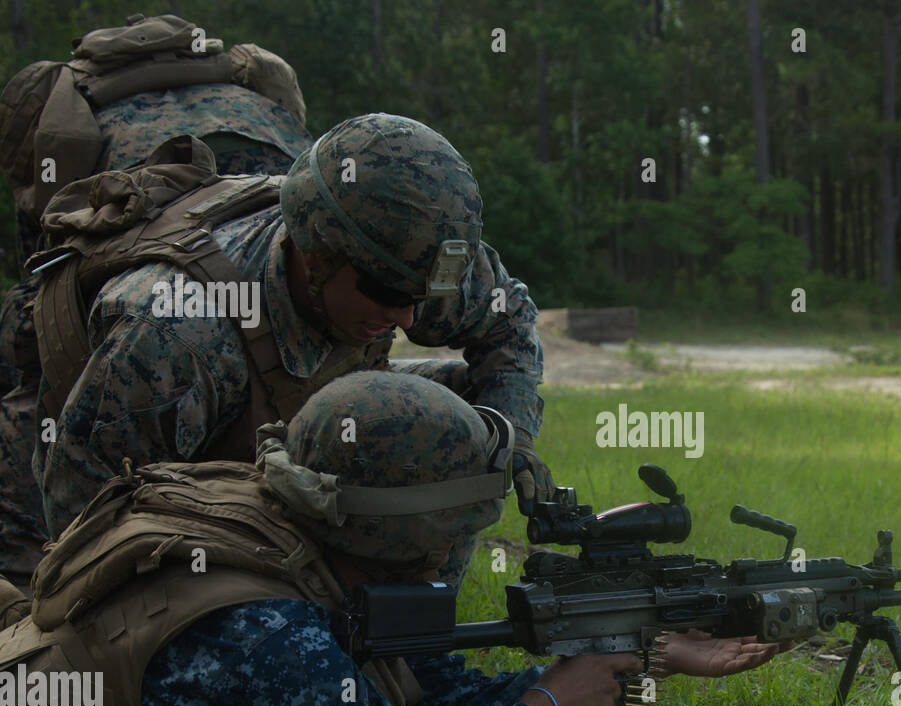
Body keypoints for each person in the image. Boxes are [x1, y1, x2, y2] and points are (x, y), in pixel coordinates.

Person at [0, 372, 788, 706]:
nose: (460, 547)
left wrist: (641, 660)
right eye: (455, 527)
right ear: (402, 534)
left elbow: (428, 705)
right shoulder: (271, 638)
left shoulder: (294, 525)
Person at [0, 112, 552, 589]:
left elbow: (508, 323)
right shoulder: (177, 336)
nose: (407, 319)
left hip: (279, 421)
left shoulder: (405, 257)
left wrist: (512, 435)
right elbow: (84, 514)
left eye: (423, 299)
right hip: (154, 469)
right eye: (388, 295)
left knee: (459, 428)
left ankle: (408, 627)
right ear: (314, 256)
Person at [0, 12, 314, 581]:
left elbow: (43, 278)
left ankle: (27, 581)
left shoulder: (76, 109)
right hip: (282, 240)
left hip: (165, 245)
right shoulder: (249, 93)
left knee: (30, 382)